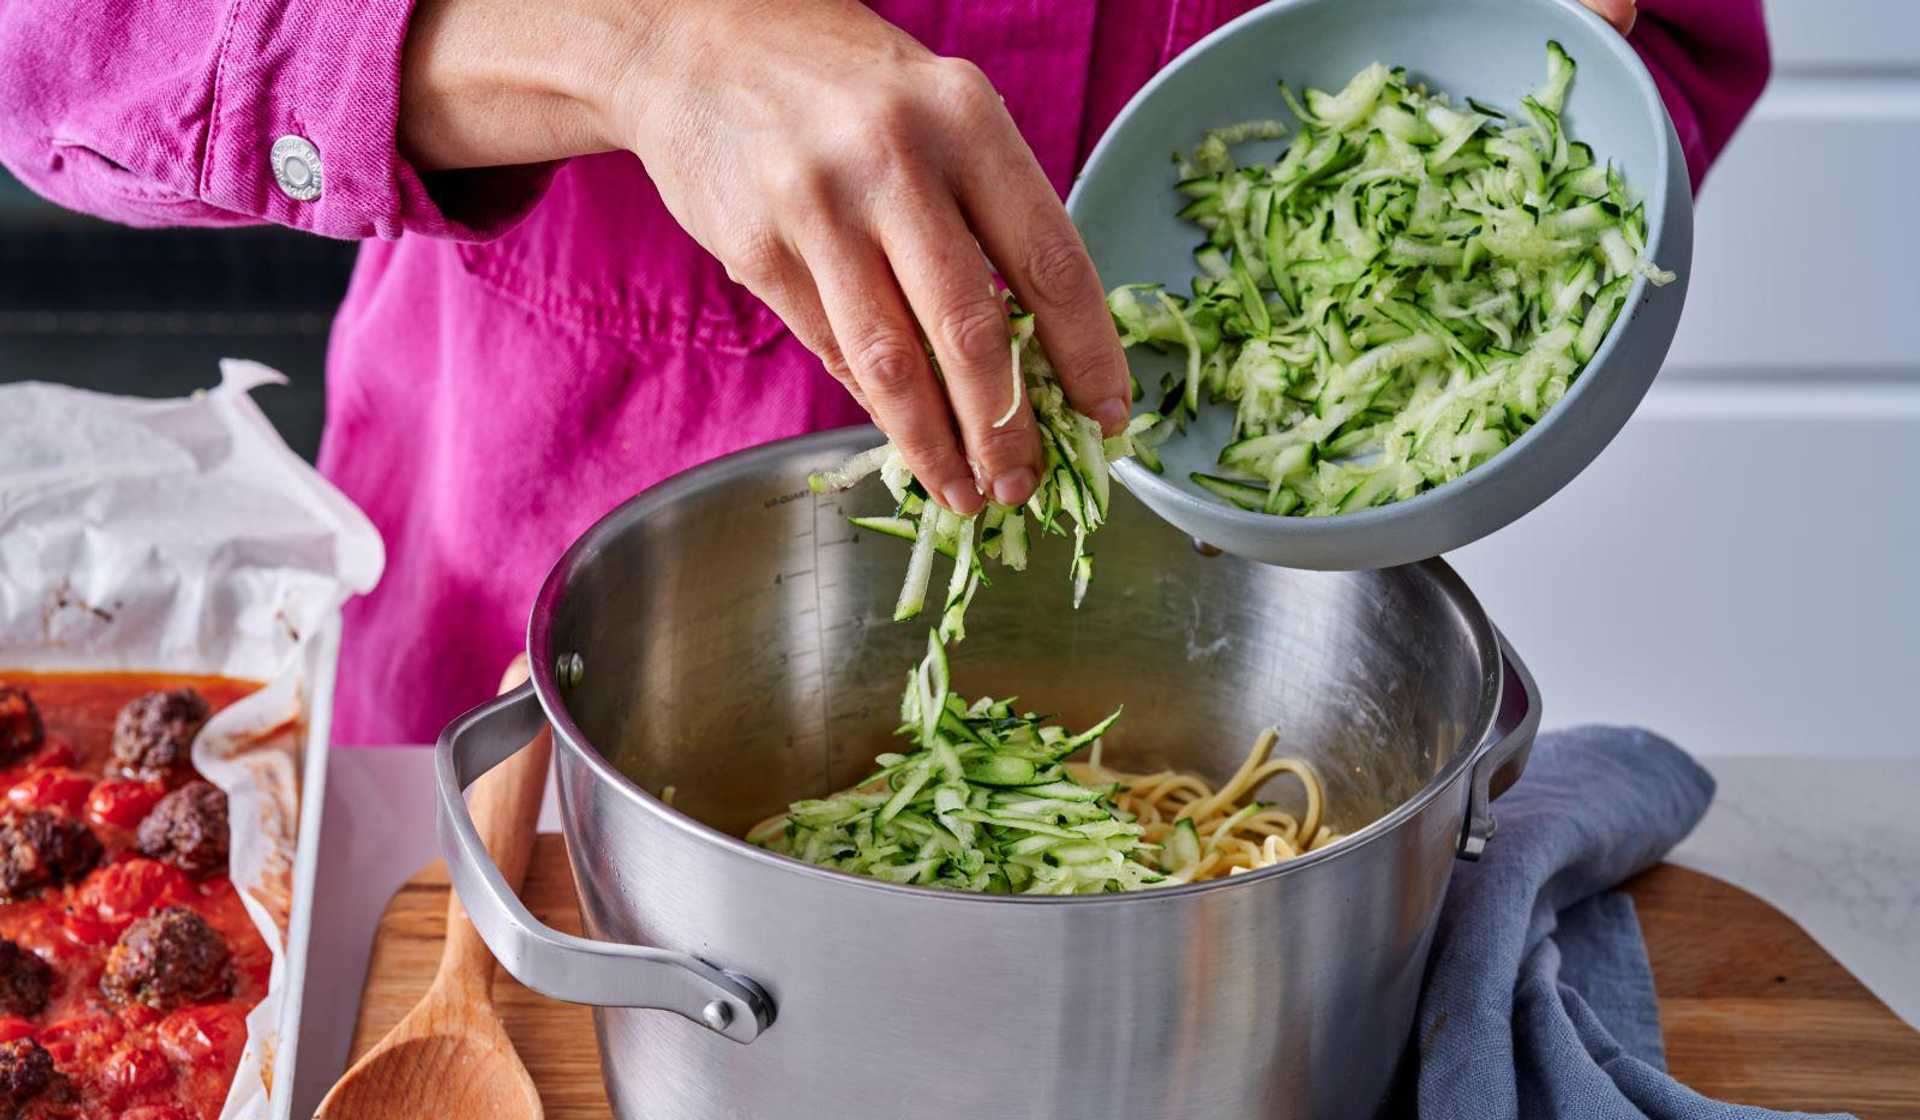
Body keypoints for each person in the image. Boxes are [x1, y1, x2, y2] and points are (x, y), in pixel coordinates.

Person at [0, 0, 1768, 741]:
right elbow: (65, 44)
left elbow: (1658, 60)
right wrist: (637, 44)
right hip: (524, 712)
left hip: (1236, 715)